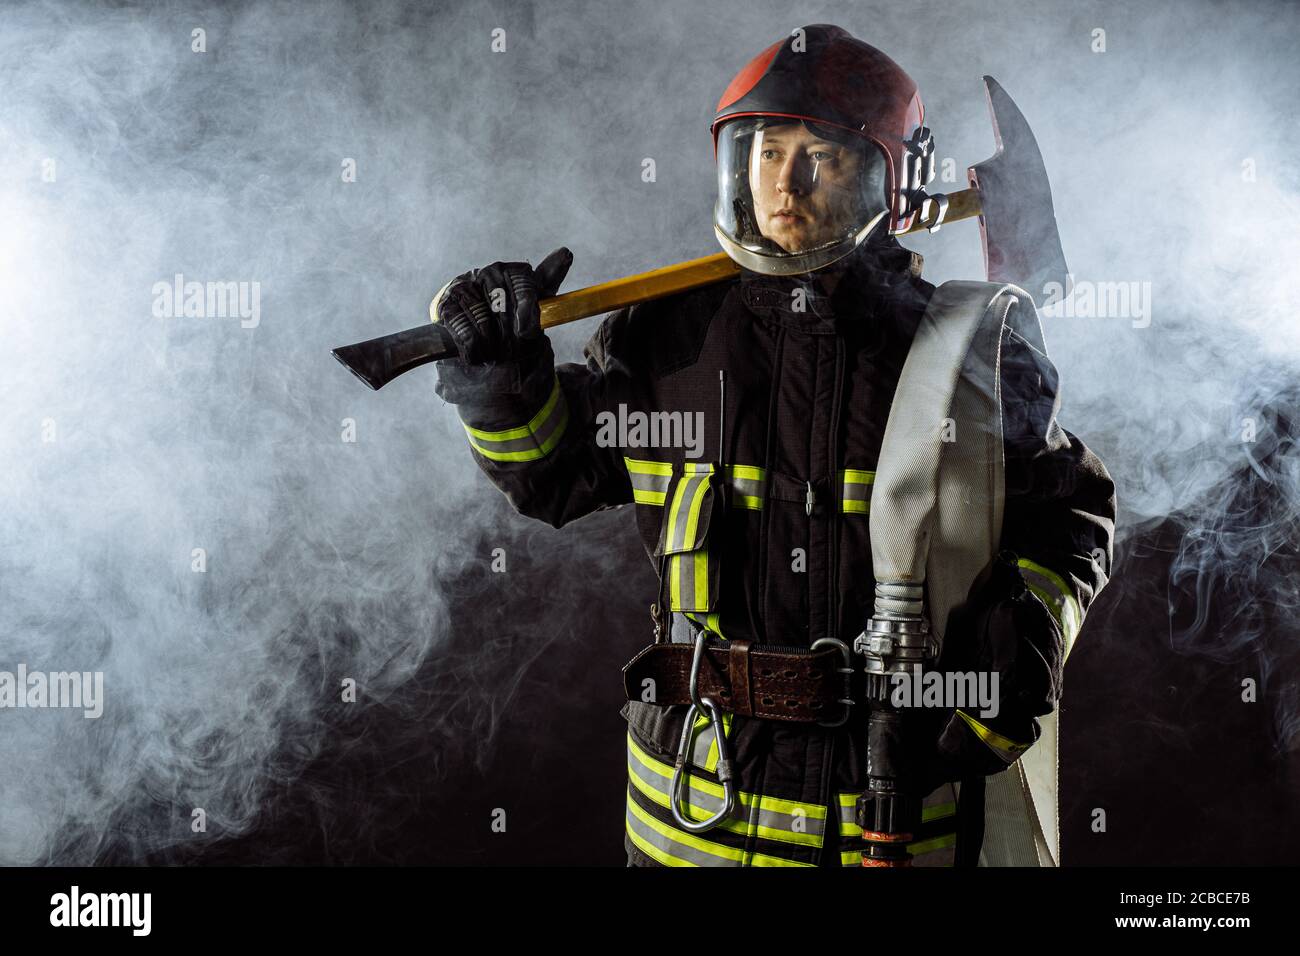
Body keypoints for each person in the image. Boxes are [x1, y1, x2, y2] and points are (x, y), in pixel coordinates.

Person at [432, 24, 1116, 867]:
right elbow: (554, 476)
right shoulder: (663, 341)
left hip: (886, 823)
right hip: (692, 824)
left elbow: (1071, 518)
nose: (783, 183)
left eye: (820, 155)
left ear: (887, 177)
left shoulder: (967, 352)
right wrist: (501, 379)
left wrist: (1020, 640)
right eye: (763, 153)